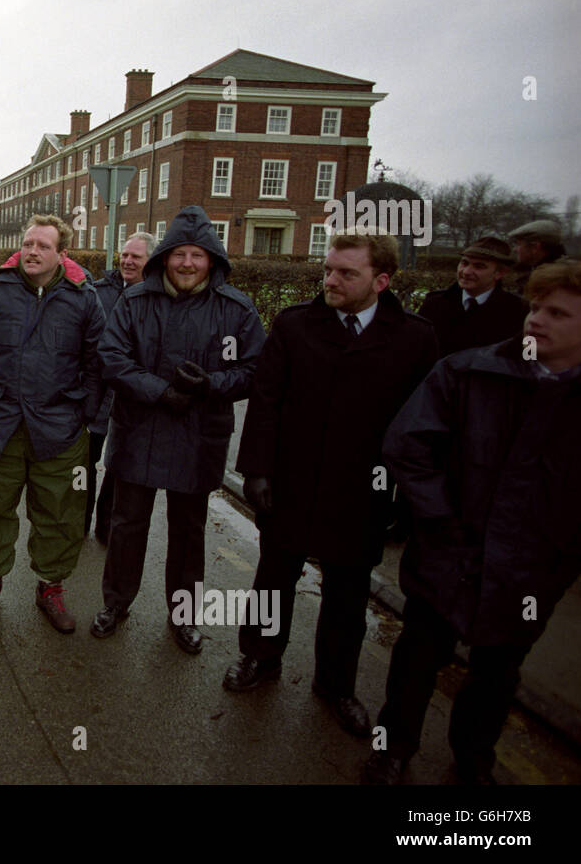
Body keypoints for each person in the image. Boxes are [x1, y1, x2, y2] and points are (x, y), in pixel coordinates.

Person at [364, 260, 581, 784]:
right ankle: (391, 751)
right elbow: (406, 444)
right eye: (536, 307)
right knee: (417, 659)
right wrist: (439, 519)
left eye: (557, 313)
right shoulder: (467, 372)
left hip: (531, 571)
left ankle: (472, 762)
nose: (538, 320)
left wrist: (560, 552)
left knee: (496, 674)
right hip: (448, 552)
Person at [222, 230, 438, 738]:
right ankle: (260, 656)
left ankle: (336, 684)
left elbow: (422, 424)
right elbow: (267, 401)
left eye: (346, 273)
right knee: (274, 577)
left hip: (362, 492)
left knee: (347, 593)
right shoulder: (297, 325)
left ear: (381, 281)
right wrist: (255, 470)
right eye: (328, 270)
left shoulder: (415, 338)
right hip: (293, 483)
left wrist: (407, 498)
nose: (331, 281)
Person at [95, 207, 264, 652]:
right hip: (139, 432)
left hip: (199, 436)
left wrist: (212, 385)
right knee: (127, 524)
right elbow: (112, 359)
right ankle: (116, 602)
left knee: (189, 530)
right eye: (179, 254)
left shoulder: (236, 309)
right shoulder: (134, 303)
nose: (188, 263)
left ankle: (185, 616)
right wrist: (157, 391)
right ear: (165, 257)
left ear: (213, 260)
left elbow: (255, 370)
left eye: (198, 255)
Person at [0, 214, 104, 633]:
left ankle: (50, 588)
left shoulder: (83, 297)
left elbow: (97, 361)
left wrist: (85, 416)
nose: (32, 251)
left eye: (43, 246)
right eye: (28, 243)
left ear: (61, 254)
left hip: (59, 428)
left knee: (60, 512)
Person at [85, 232, 153, 544]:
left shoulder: (158, 299)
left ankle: (107, 527)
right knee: (85, 463)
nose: (127, 261)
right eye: (124, 254)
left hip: (132, 397)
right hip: (95, 394)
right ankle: (78, 523)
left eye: (135, 257)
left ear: (151, 262)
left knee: (120, 466)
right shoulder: (100, 292)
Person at [418, 237, 527, 357]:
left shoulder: (516, 311)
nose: (466, 271)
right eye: (464, 263)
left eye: (479, 266)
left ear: (499, 273)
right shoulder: (434, 304)